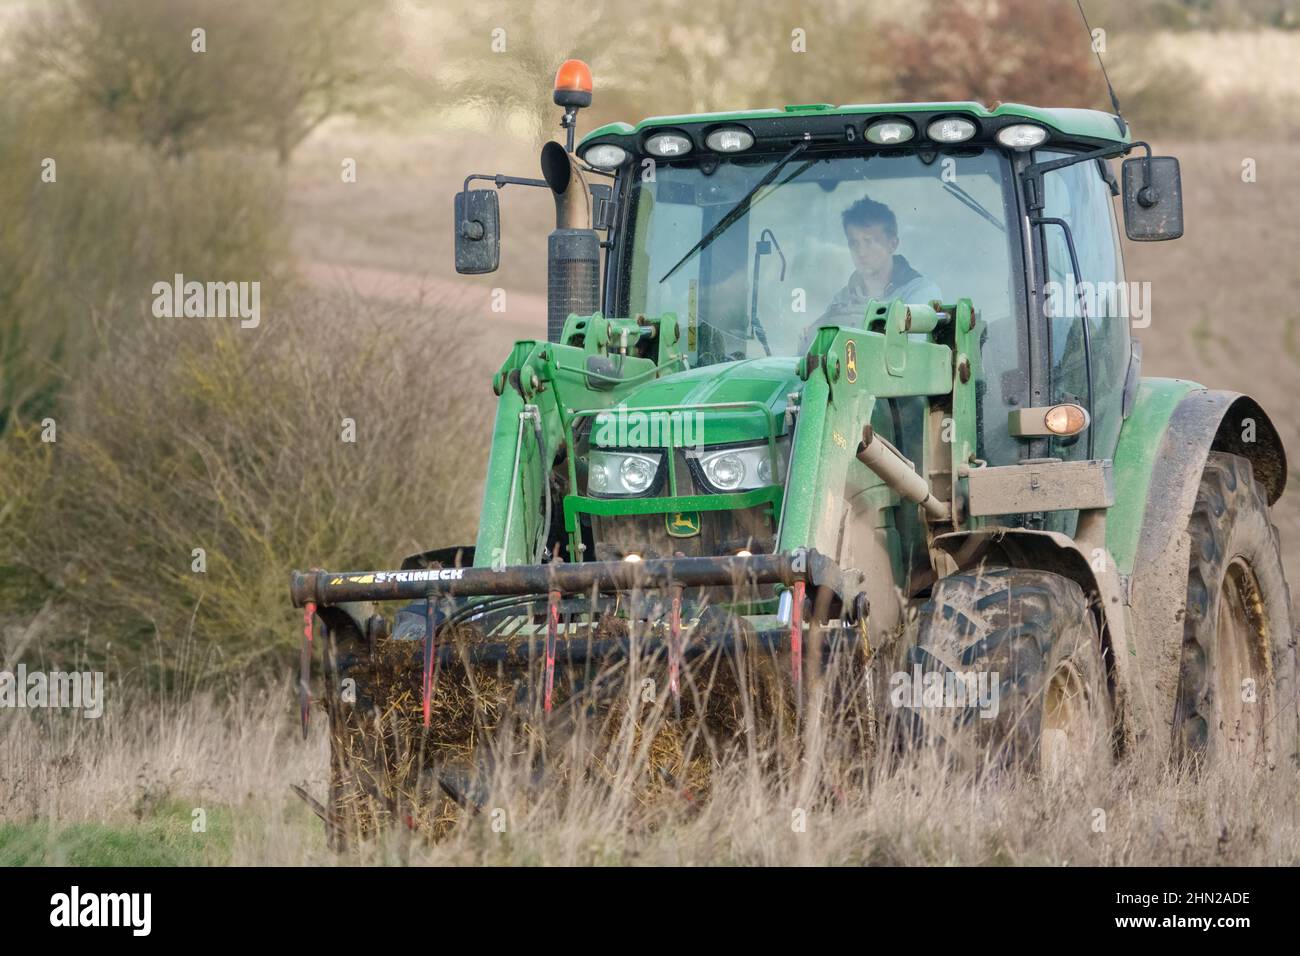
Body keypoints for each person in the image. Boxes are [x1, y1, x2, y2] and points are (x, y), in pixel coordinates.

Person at [800, 196, 942, 349]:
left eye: (869, 241)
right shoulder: (842, 299)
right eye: (854, 243)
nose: (861, 252)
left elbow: (914, 355)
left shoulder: (921, 294)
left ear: (892, 244)